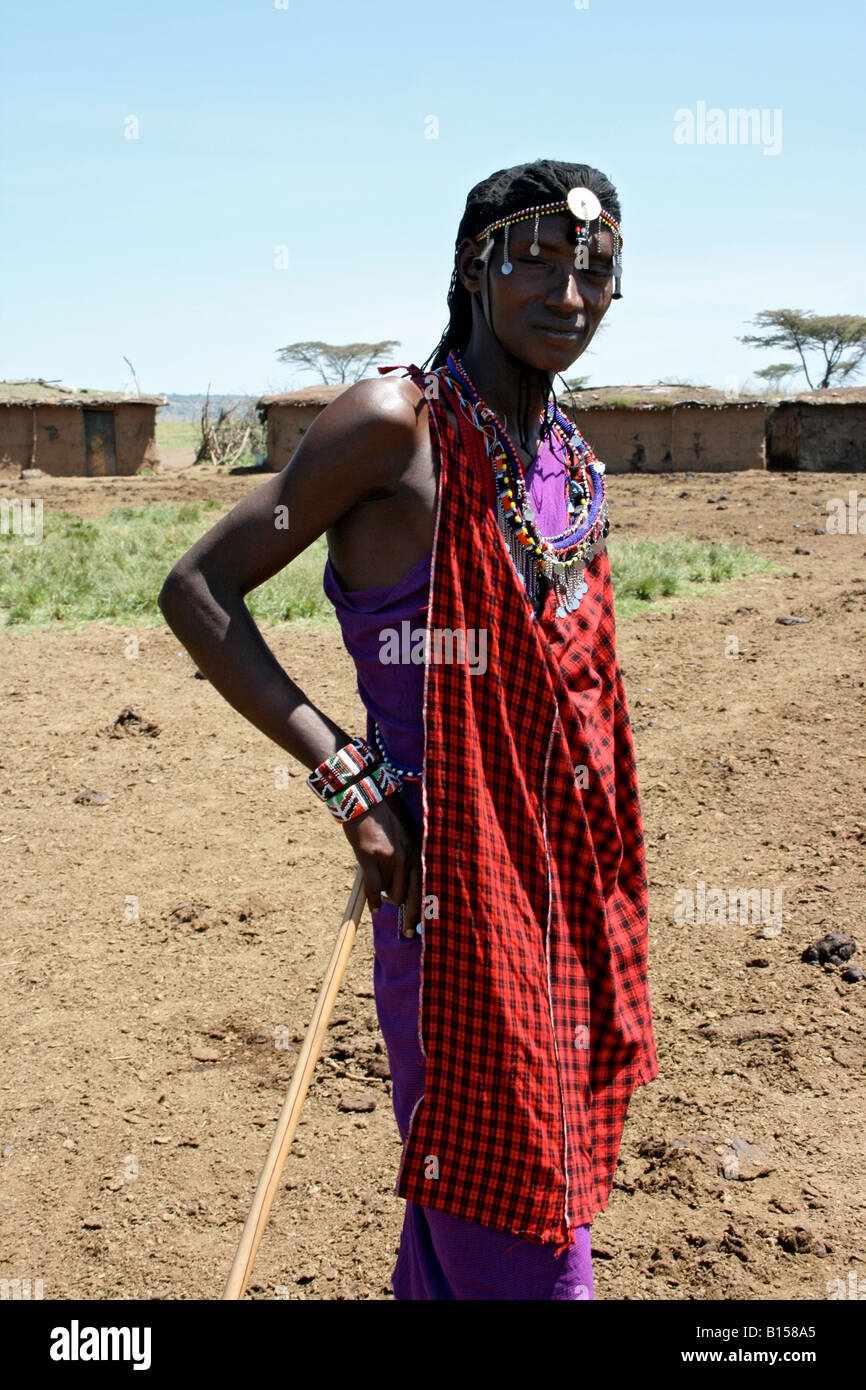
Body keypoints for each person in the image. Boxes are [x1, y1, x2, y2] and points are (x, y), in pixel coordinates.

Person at [158, 158, 658, 1301]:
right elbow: (199, 589)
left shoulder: (567, 459)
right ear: (469, 270)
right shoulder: (394, 425)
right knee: (515, 1203)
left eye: (591, 270)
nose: (564, 293)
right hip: (449, 885)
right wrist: (346, 776)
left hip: (559, 885)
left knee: (502, 1189)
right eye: (530, 260)